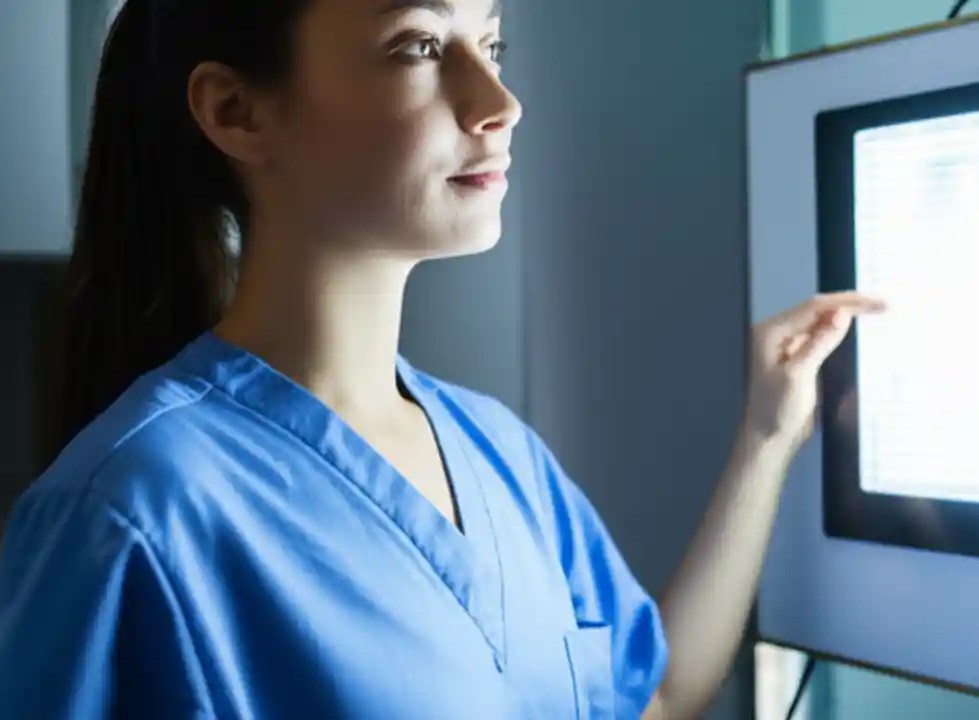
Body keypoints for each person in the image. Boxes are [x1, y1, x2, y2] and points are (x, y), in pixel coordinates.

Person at [0, 0, 884, 718]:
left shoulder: (499, 452)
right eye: (420, 44)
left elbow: (653, 698)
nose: (498, 99)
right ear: (237, 111)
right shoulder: (129, 512)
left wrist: (767, 437)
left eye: (490, 41)